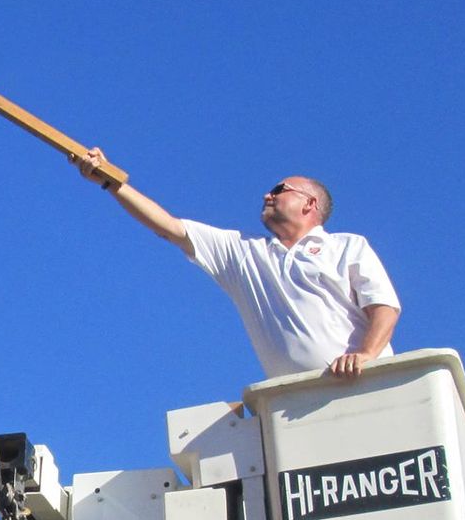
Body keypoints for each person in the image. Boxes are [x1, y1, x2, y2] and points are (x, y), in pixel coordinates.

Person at [73, 150, 400, 381]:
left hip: (368, 386)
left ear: (310, 204)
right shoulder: (245, 252)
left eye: (279, 190)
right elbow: (170, 227)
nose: (266, 195)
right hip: (298, 402)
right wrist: (111, 182)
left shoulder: (346, 246)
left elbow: (383, 306)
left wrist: (367, 356)